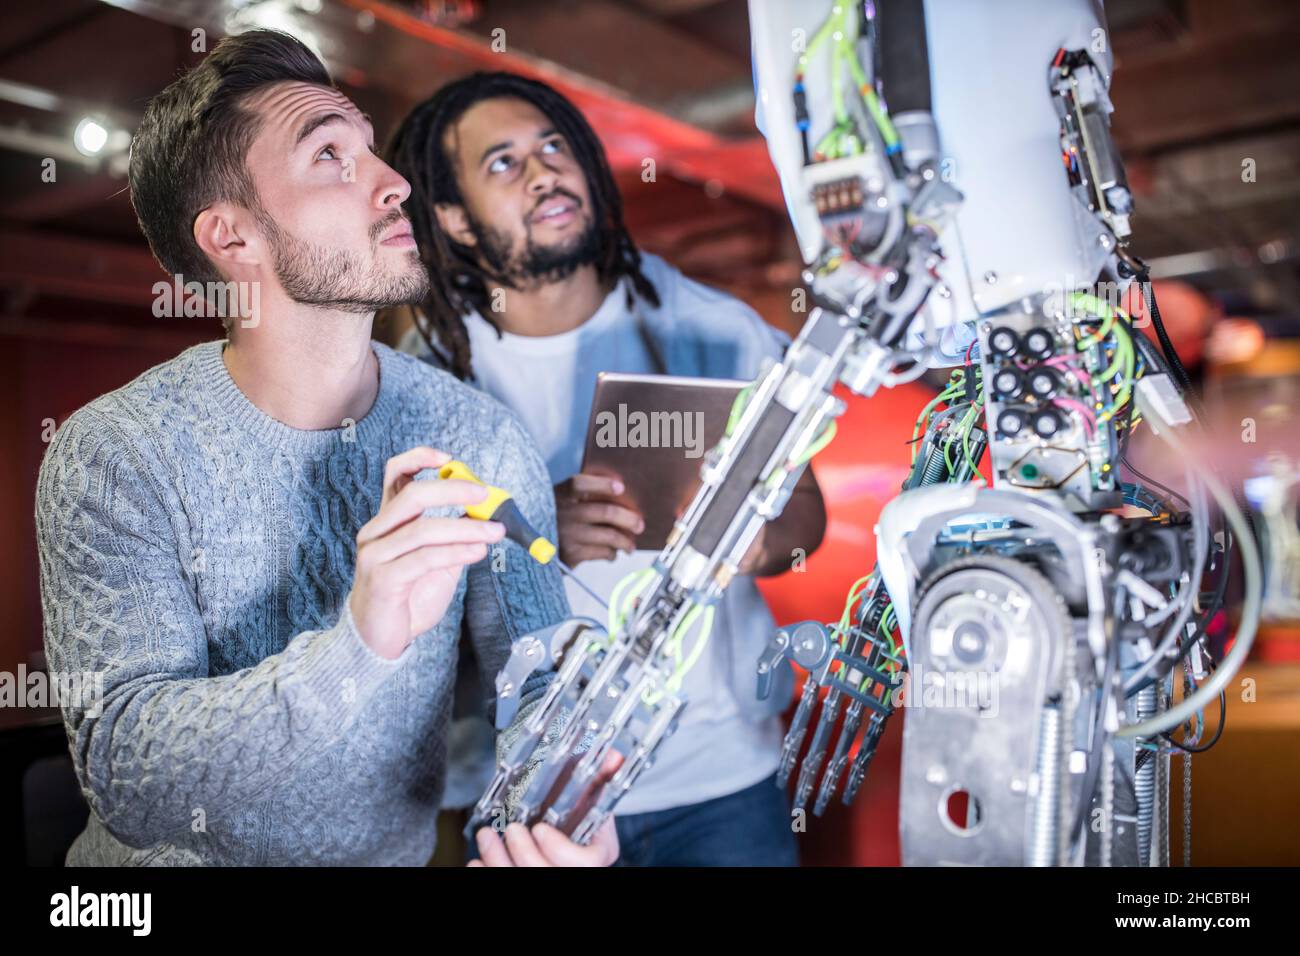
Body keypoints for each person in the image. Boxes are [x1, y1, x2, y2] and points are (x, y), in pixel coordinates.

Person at [34, 31, 615, 867]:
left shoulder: (478, 434)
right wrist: (360, 643)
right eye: (330, 157)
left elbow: (538, 680)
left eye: (369, 149)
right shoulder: (115, 454)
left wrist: (568, 799)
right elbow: (128, 778)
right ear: (232, 238)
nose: (393, 182)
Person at [388, 71, 827, 866]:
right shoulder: (423, 384)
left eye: (555, 146)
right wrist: (529, 535)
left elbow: (806, 517)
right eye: (503, 162)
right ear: (452, 218)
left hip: (723, 783)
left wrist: (751, 537)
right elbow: (398, 613)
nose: (543, 171)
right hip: (534, 791)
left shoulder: (712, 328)